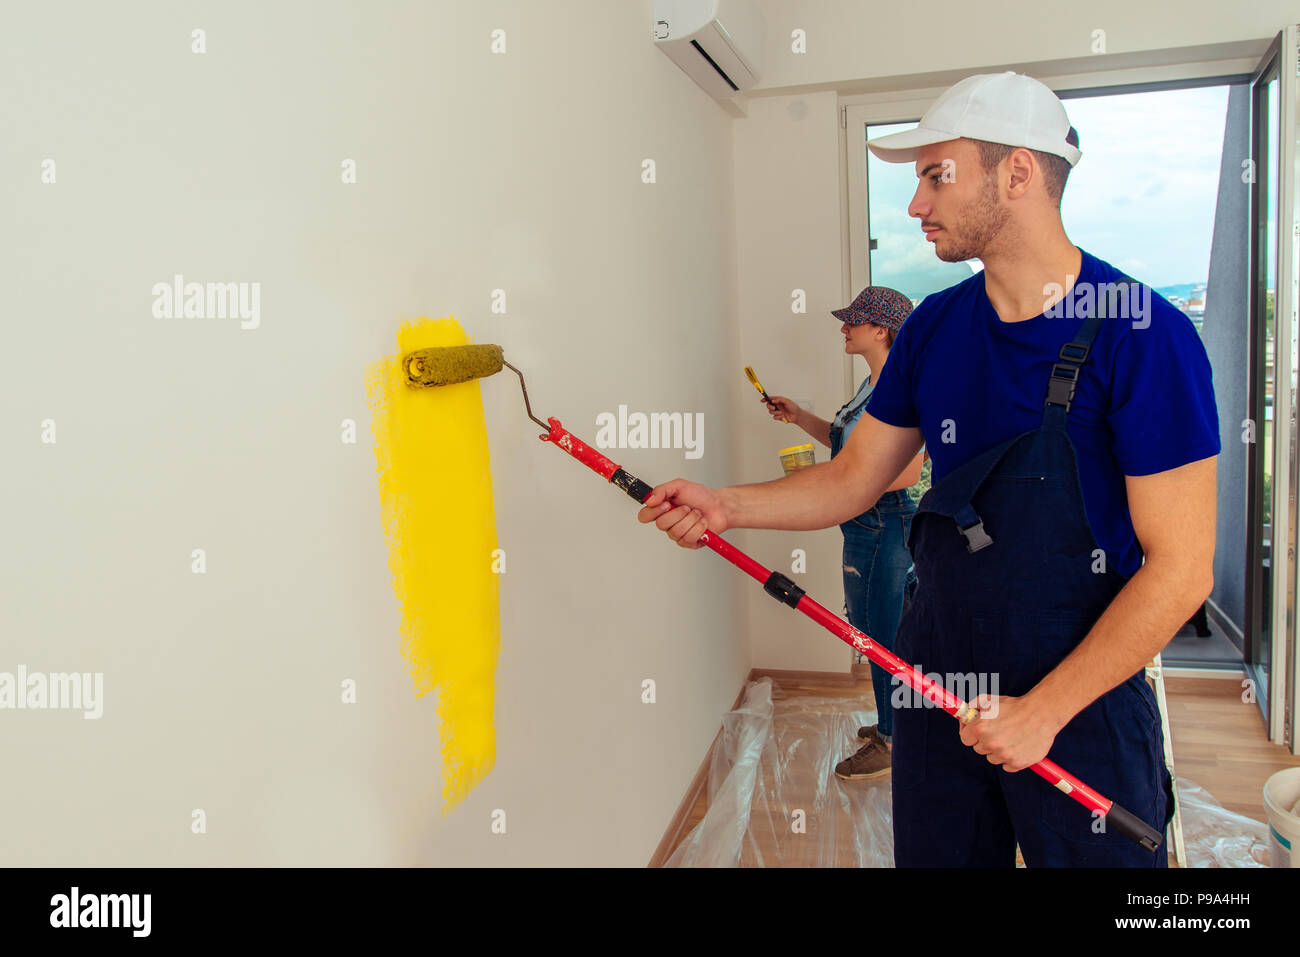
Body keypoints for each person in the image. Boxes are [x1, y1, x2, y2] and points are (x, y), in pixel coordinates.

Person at [638, 71, 1218, 867]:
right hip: (936, 668)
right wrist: (724, 504)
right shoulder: (935, 328)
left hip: (1082, 692)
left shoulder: (1143, 336)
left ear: (1018, 173)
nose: (916, 204)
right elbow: (854, 478)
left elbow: (1181, 571)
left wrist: (1042, 711)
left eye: (936, 174)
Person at [762, 286, 923, 779]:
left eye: (853, 321)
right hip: (863, 524)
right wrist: (800, 417)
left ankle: (894, 743)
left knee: (882, 637)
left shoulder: (905, 388)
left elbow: (910, 473)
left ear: (881, 330)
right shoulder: (872, 386)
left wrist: (834, 488)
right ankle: (889, 725)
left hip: (885, 524)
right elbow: (845, 449)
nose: (843, 328)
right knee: (871, 628)